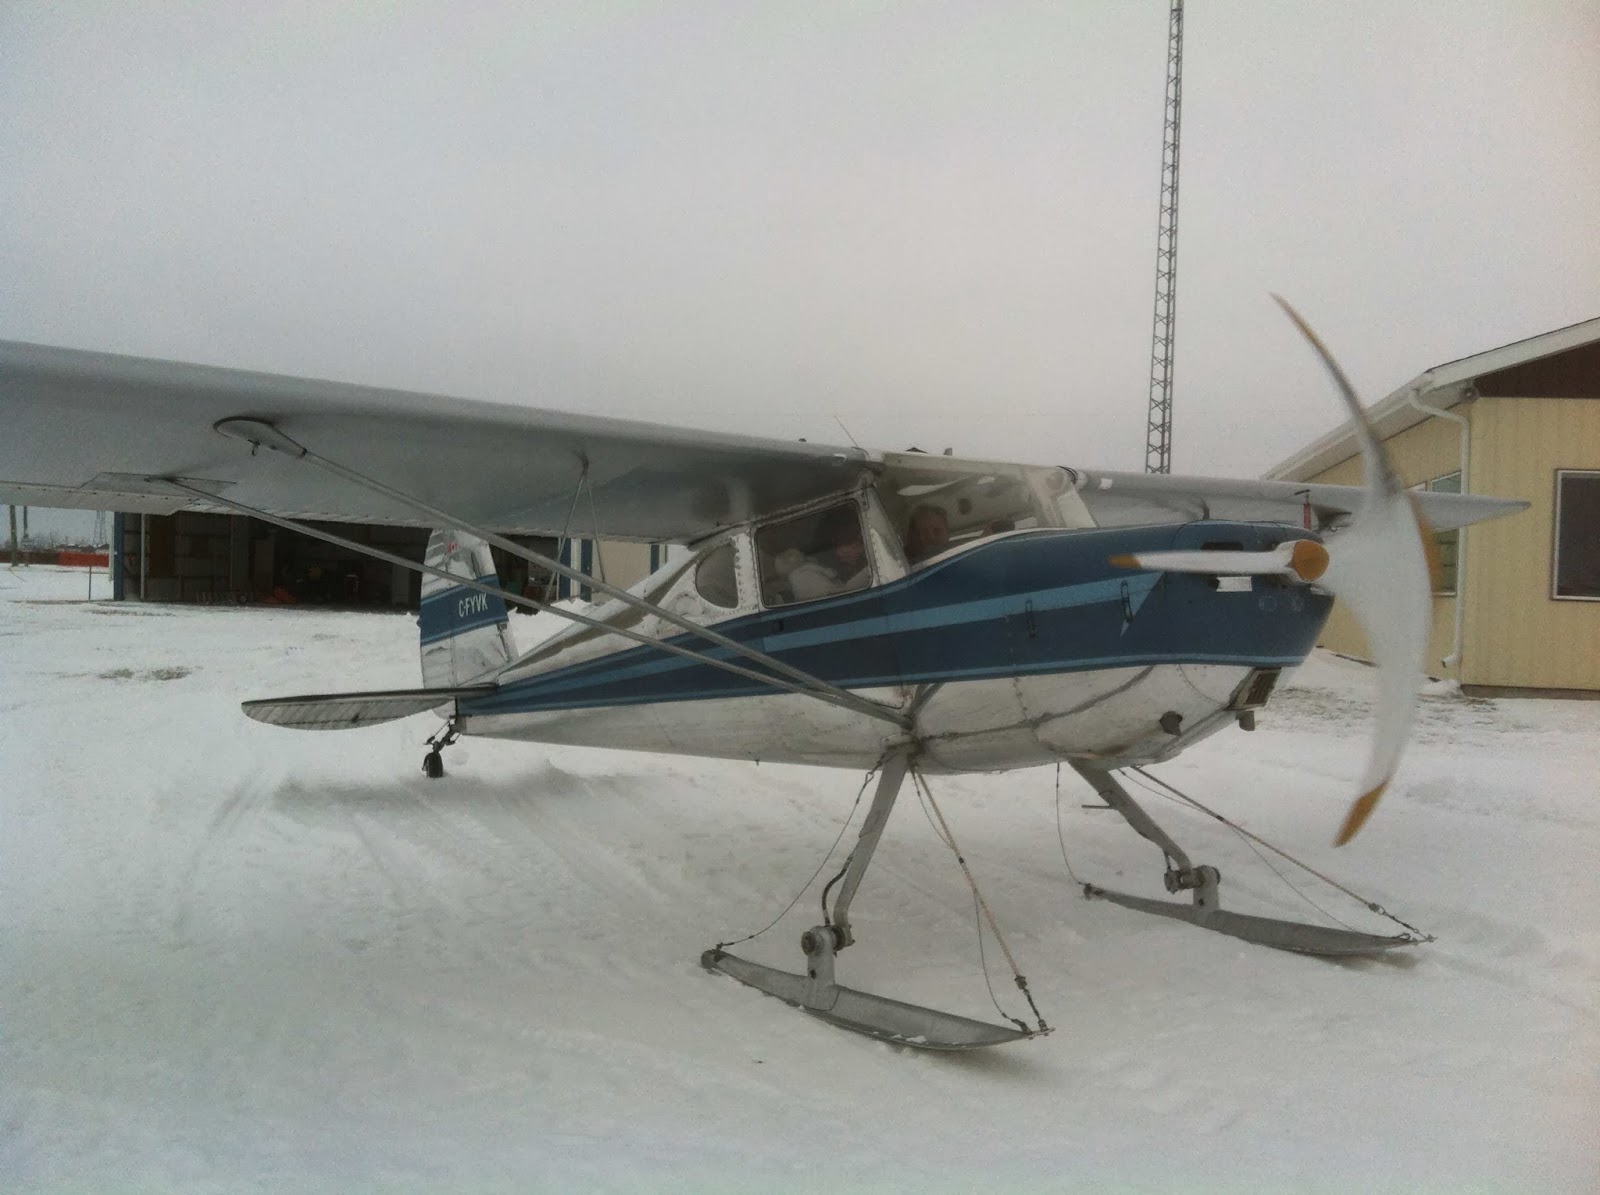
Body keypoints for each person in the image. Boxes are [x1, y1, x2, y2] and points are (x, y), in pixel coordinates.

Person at [787, 506, 870, 600]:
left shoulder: (840, 568)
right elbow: (839, 596)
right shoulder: (801, 575)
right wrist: (869, 570)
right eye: (851, 542)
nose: (860, 550)